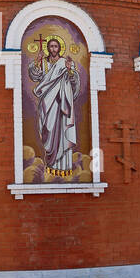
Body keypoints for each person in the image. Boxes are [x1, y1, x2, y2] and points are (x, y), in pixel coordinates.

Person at [27, 36, 81, 176]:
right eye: (51, 46)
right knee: (48, 129)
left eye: (55, 46)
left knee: (62, 130)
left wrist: (69, 70)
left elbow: (74, 81)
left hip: (62, 101)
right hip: (47, 102)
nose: (53, 49)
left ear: (59, 48)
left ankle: (64, 167)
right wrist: (36, 62)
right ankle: (51, 164)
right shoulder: (44, 63)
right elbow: (35, 76)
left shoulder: (65, 63)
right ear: (48, 48)